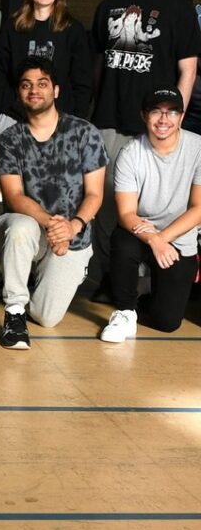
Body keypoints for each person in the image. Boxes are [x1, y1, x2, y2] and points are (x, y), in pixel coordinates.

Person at [89, 0, 201, 295]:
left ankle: (152, 280)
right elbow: (97, 67)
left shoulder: (179, 10)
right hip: (109, 120)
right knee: (108, 208)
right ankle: (112, 277)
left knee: (157, 205)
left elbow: (188, 68)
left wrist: (178, 115)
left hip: (157, 126)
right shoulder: (107, 8)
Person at [0, 57, 107, 349]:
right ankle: (15, 311)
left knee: (46, 317)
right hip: (34, 226)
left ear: (55, 90)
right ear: (19, 93)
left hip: (73, 235)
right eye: (26, 85)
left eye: (42, 84)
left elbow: (95, 194)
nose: (34, 90)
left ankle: (27, 281)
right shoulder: (10, 139)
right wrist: (53, 225)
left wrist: (73, 227)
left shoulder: (84, 133)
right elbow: (14, 196)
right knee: (19, 228)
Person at [101, 88, 201, 341]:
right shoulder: (130, 152)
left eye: (171, 112)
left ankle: (146, 289)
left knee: (166, 322)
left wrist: (163, 239)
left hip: (178, 236)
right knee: (123, 242)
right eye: (156, 111)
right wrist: (154, 240)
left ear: (181, 116)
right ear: (144, 115)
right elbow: (126, 213)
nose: (163, 119)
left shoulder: (198, 148)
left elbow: (198, 208)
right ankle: (125, 312)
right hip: (140, 231)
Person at [0, 0, 91, 138]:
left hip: (60, 121)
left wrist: (76, 118)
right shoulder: (12, 27)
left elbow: (82, 80)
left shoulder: (73, 29)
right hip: (16, 117)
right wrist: (2, 111)